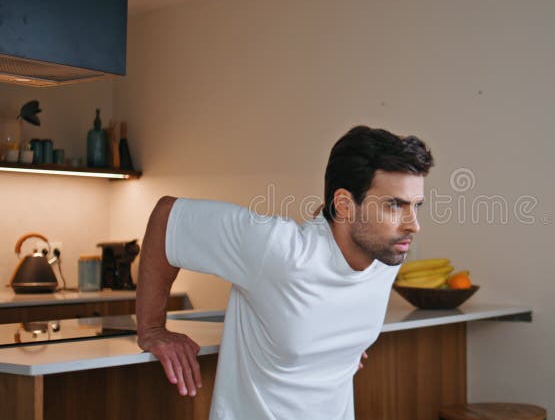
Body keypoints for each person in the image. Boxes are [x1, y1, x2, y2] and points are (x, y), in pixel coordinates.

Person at [135, 125, 434, 420]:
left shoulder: (386, 253)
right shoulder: (277, 249)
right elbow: (167, 217)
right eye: (395, 205)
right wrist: (152, 330)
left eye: (416, 206)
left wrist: (340, 351)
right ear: (344, 204)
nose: (413, 225)